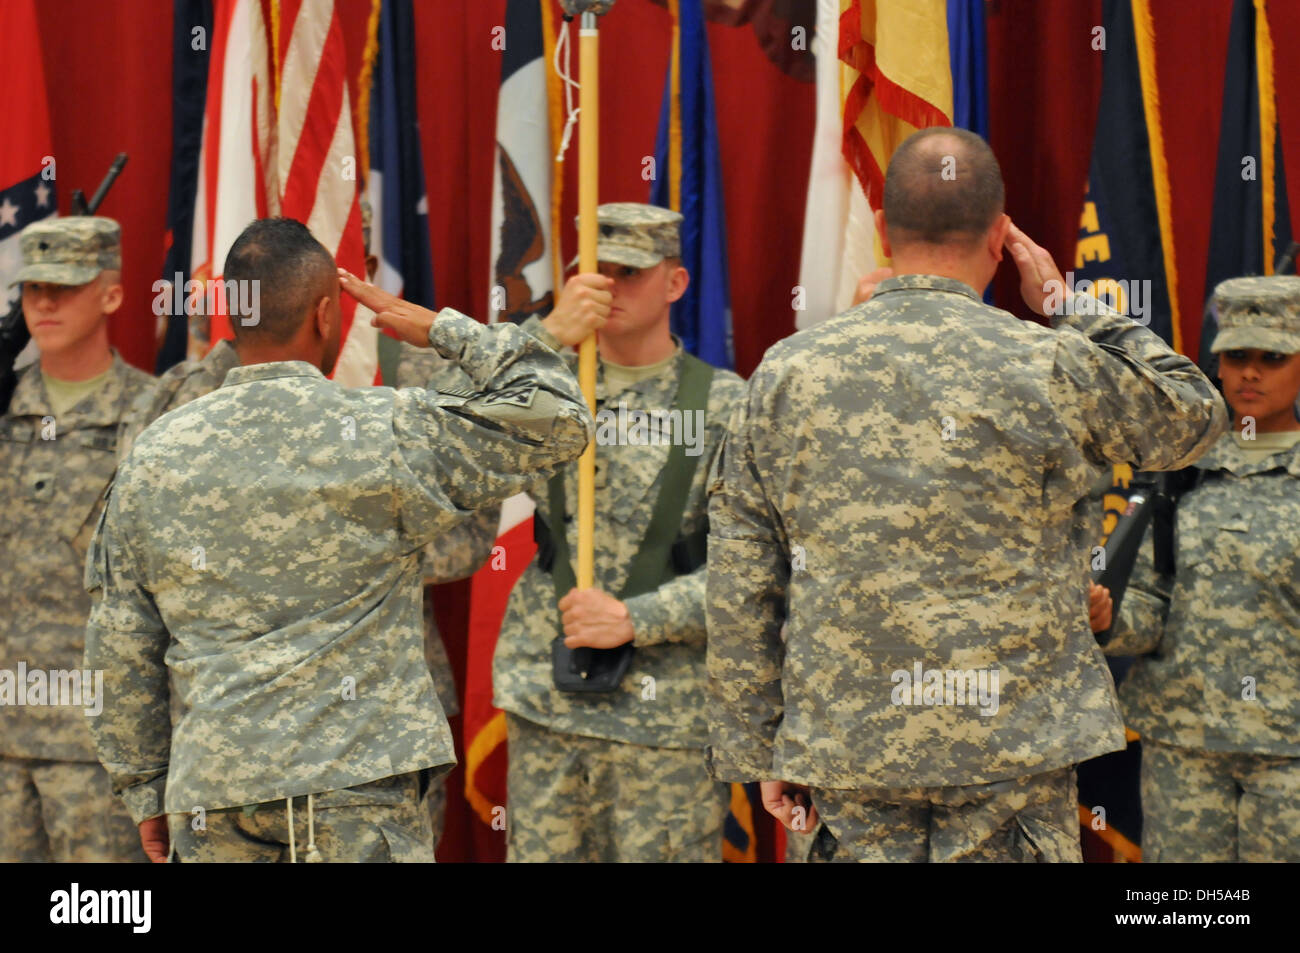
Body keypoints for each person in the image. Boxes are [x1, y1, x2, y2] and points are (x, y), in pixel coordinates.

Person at [706, 126, 1228, 863]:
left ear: (882, 230)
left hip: (848, 756)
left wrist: (758, 745)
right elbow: (1195, 412)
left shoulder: (787, 374)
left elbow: (741, 578)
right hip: (1011, 760)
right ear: (1001, 234)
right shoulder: (1050, 364)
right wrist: (1063, 300)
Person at [84, 217, 592, 862]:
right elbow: (560, 416)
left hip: (215, 797)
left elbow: (120, 643)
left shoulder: (153, 456)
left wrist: (145, 787)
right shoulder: (385, 433)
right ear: (327, 314)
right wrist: (442, 329)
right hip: (359, 798)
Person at [492, 202, 746, 862]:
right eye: (595, 272)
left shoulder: (725, 405)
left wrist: (641, 616)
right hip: (549, 704)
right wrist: (544, 333)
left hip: (666, 721)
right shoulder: (544, 389)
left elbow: (757, 569)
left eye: (629, 272)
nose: (608, 288)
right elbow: (447, 432)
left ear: (676, 282)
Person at [1103, 276, 1300, 862]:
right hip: (1184, 742)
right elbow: (1150, 603)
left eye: (1273, 357)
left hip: (1289, 749)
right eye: (1236, 355)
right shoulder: (1177, 470)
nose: (1250, 373)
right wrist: (1108, 615)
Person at [0, 217, 153, 862]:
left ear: (112, 295)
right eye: (34, 287)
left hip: (98, 743)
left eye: (65, 286)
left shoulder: (151, 416)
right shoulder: (5, 407)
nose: (46, 303)